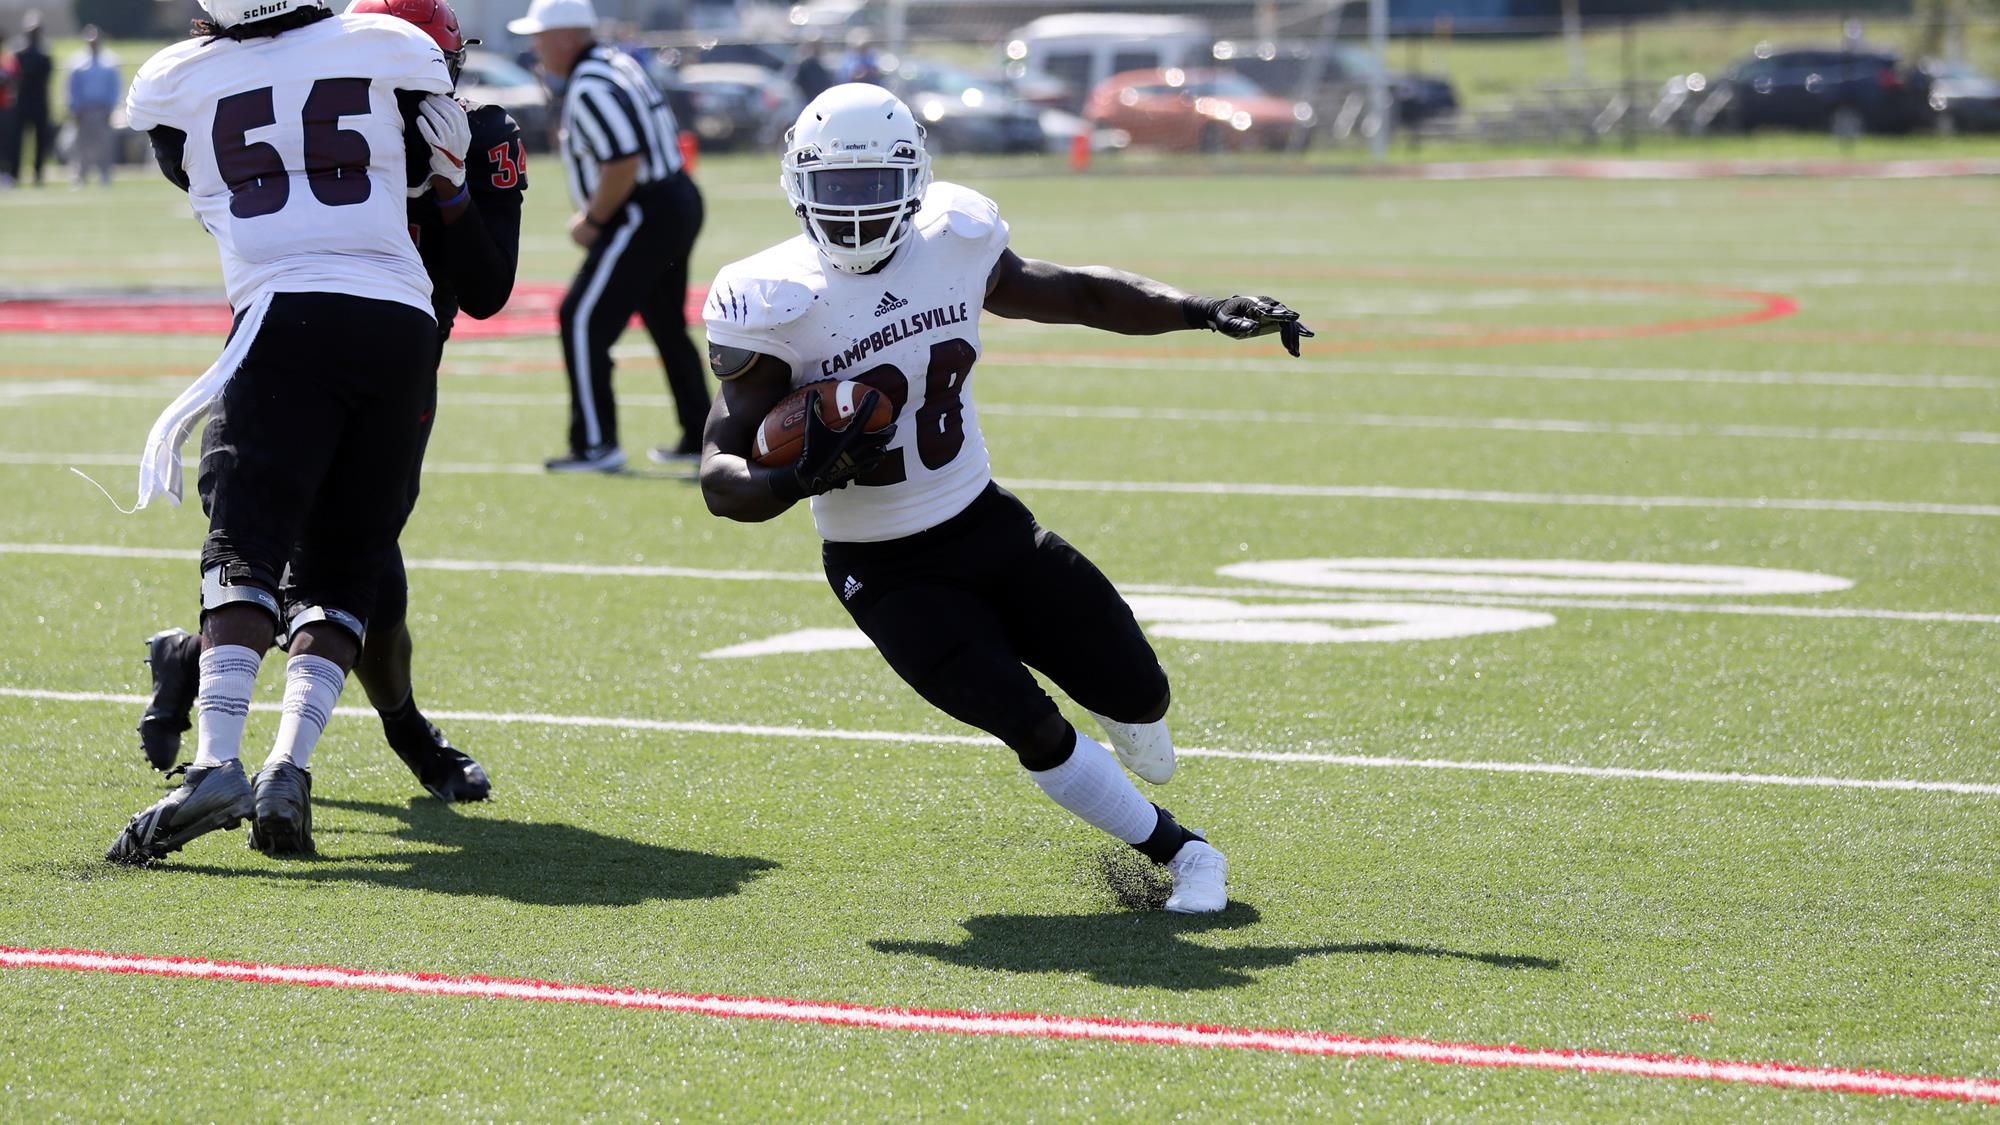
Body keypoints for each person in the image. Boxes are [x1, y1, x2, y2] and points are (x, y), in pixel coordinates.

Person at [697, 84, 1313, 914]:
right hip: (882, 569)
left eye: (874, 186)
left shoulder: (956, 237)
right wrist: (794, 478)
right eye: (836, 188)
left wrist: (1201, 309)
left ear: (913, 182)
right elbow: (720, 477)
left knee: (1141, 694)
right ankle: (1185, 853)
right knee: (1027, 723)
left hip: (987, 522)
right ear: (798, 185)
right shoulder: (770, 297)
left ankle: (1130, 721)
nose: (852, 210)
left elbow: (1079, 295)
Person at [133, 0, 525, 806]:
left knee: (348, 555)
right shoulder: (308, 95)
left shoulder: (479, 131)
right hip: (314, 335)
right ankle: (406, 733)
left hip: (402, 353)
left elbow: (487, 290)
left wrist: (448, 190)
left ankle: (192, 662)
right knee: (342, 558)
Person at [509, 0, 708, 473]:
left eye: (539, 37)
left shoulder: (590, 83)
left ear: (564, 36)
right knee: (665, 322)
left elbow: (623, 162)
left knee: (580, 317)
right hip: (673, 198)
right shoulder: (615, 61)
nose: (535, 48)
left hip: (643, 209)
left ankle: (596, 445)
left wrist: (593, 220)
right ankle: (703, 434)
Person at [65, 26, 119, 188]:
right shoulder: (77, 62)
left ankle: (105, 176)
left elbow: (114, 88)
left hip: (102, 109)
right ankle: (80, 176)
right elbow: (72, 88)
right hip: (84, 109)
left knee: (104, 144)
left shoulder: (109, 62)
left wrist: (111, 107)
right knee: (81, 144)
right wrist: (74, 108)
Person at [9, 15, 50, 186]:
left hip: (39, 102)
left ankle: (38, 174)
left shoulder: (44, 54)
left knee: (40, 141)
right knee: (17, 140)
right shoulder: (19, 54)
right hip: (22, 103)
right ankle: (15, 174)